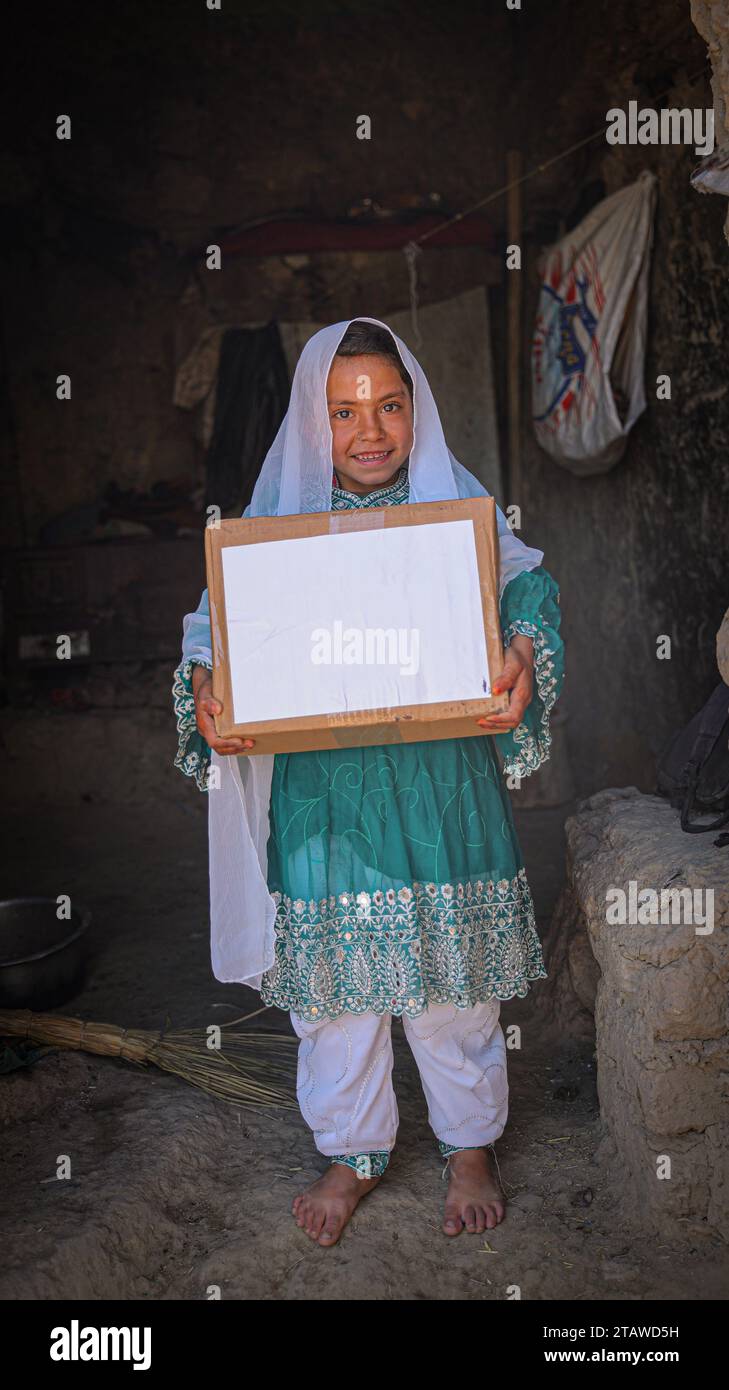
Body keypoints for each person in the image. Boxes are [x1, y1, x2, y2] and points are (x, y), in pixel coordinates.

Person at [172, 317, 564, 1247]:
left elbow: (529, 590)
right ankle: (352, 1150)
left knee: (455, 983)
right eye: (343, 412)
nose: (370, 430)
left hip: (440, 783)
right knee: (334, 994)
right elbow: (209, 627)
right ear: (313, 425)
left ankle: (470, 1145)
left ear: (416, 410)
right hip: (325, 799)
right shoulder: (270, 530)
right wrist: (204, 684)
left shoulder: (455, 507)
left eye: (389, 405)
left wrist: (519, 650)